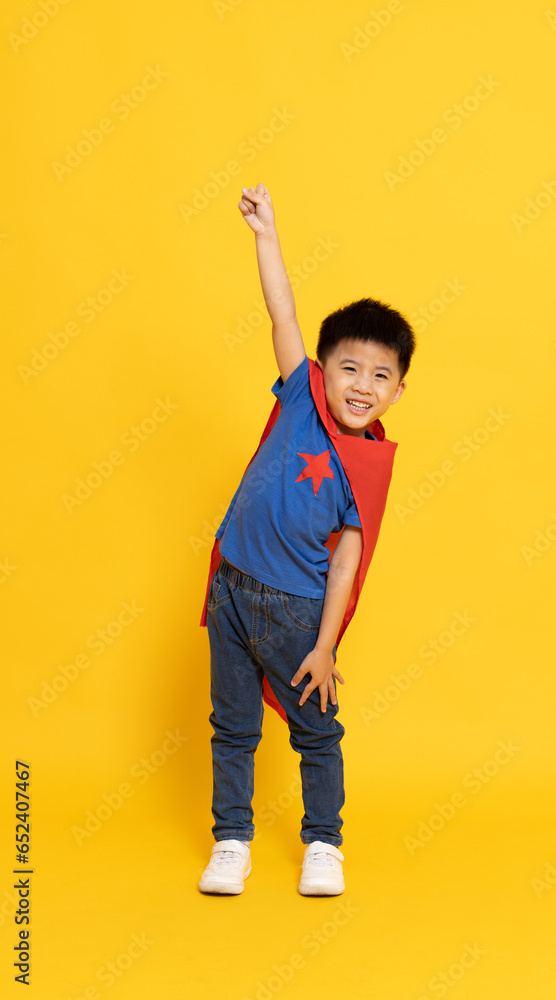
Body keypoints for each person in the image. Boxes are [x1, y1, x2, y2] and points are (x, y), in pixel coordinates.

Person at [198, 182, 416, 896]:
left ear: (397, 391)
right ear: (323, 369)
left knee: (317, 732)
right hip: (232, 590)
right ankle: (231, 841)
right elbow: (282, 310)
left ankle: (324, 843)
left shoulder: (368, 466)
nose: (362, 385)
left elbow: (346, 566)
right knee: (232, 726)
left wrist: (324, 647)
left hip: (295, 612)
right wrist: (267, 234)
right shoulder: (301, 396)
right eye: (349, 368)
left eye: (380, 376)